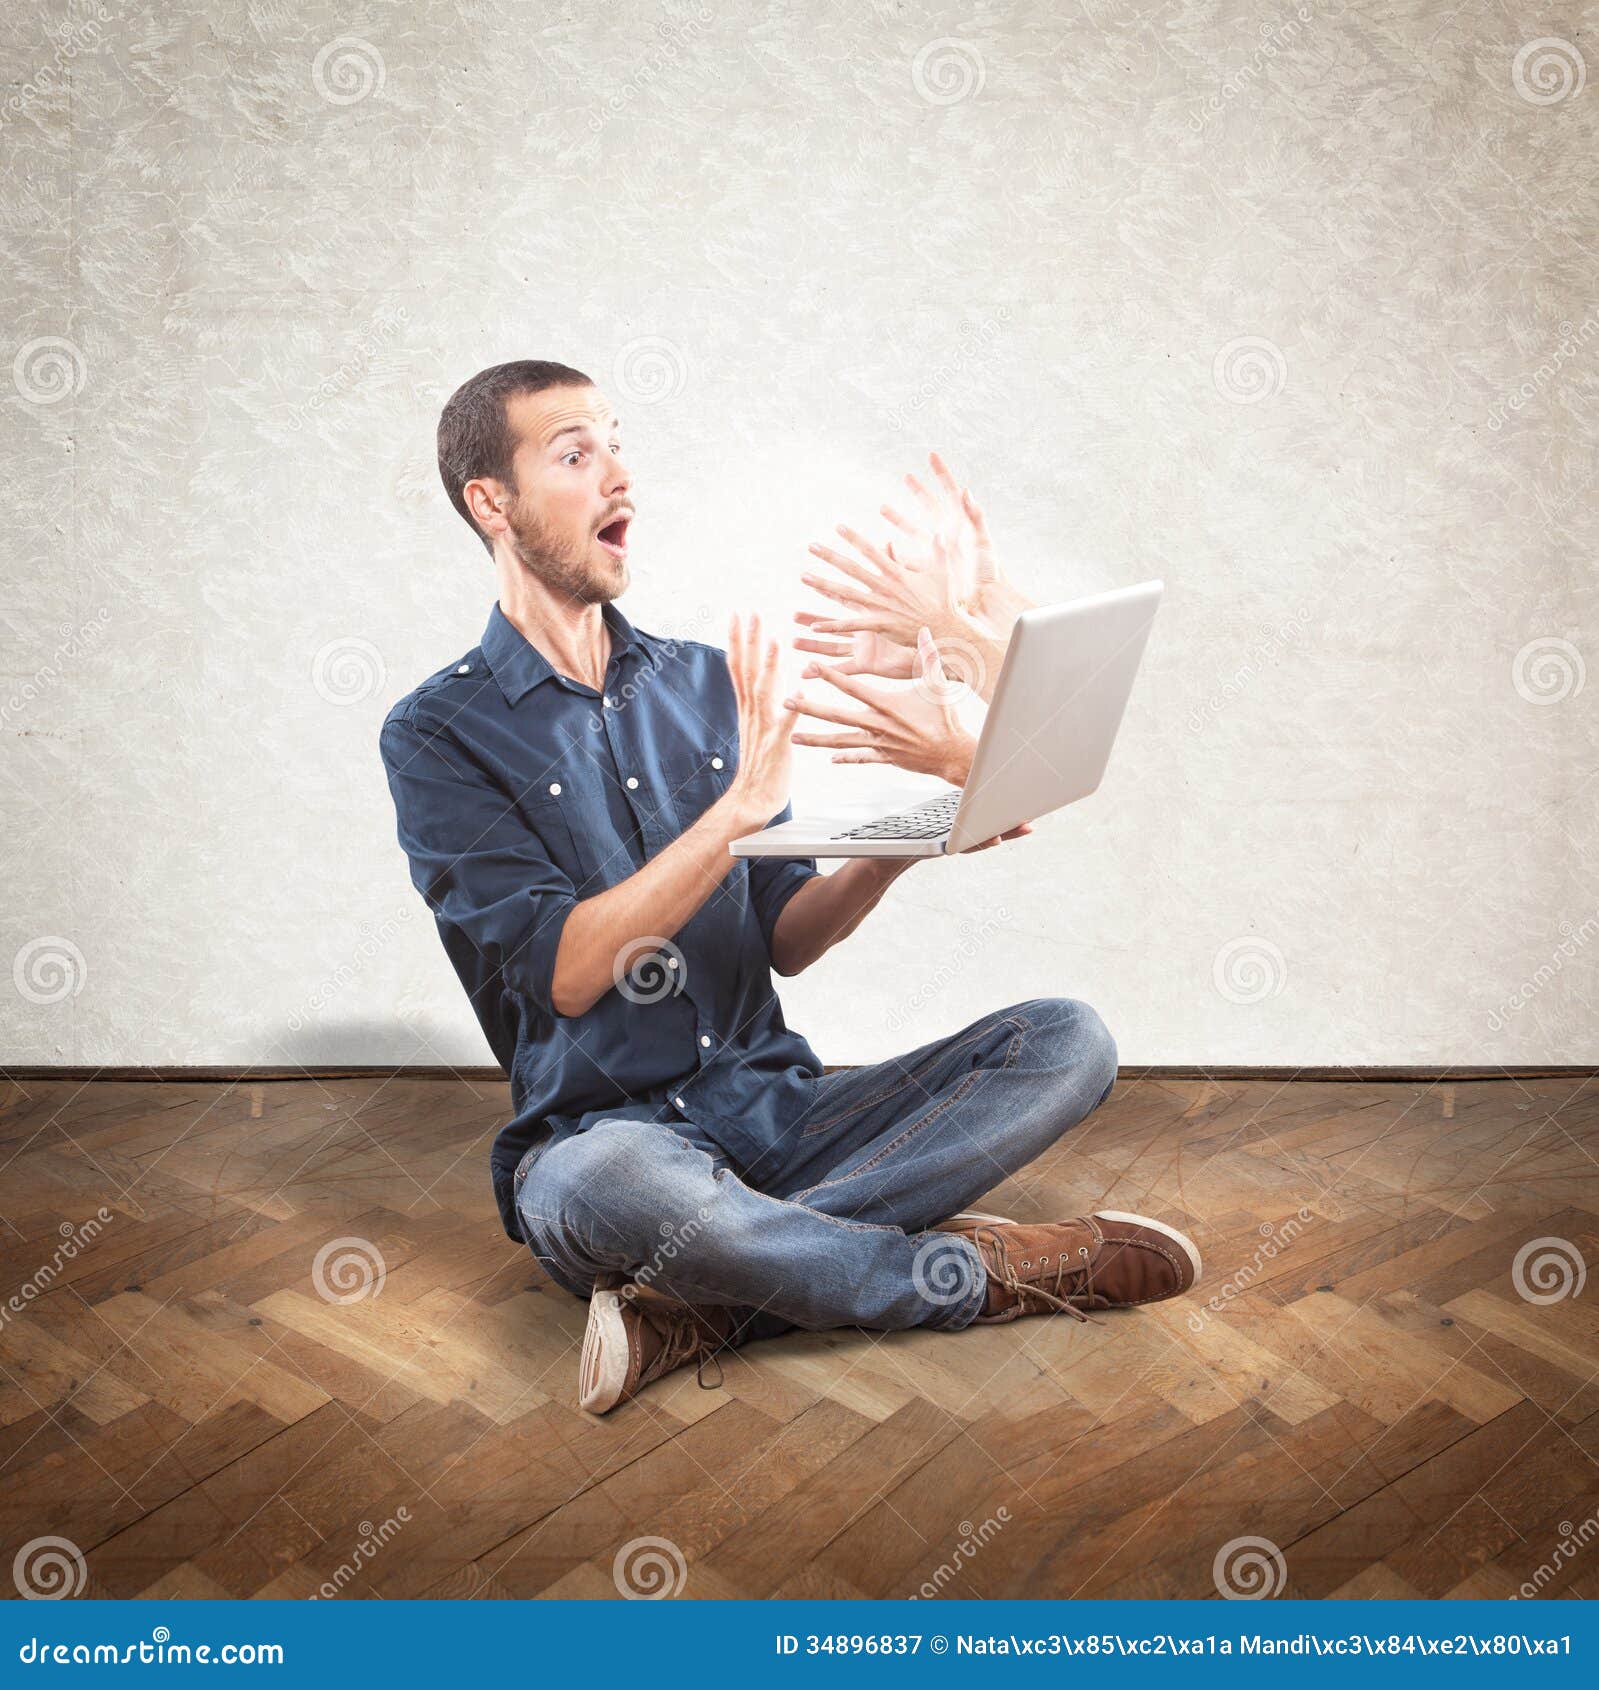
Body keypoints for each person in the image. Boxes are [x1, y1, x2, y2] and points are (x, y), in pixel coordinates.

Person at [379, 360, 1201, 1416]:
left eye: (619, 444)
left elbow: (788, 936)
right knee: (606, 1190)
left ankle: (706, 1294)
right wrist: (728, 822)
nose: (618, 474)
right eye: (576, 454)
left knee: (1066, 1040)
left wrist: (907, 841)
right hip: (608, 1141)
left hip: (782, 1114)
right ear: (489, 501)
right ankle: (968, 1276)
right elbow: (571, 973)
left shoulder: (709, 682)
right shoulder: (436, 732)